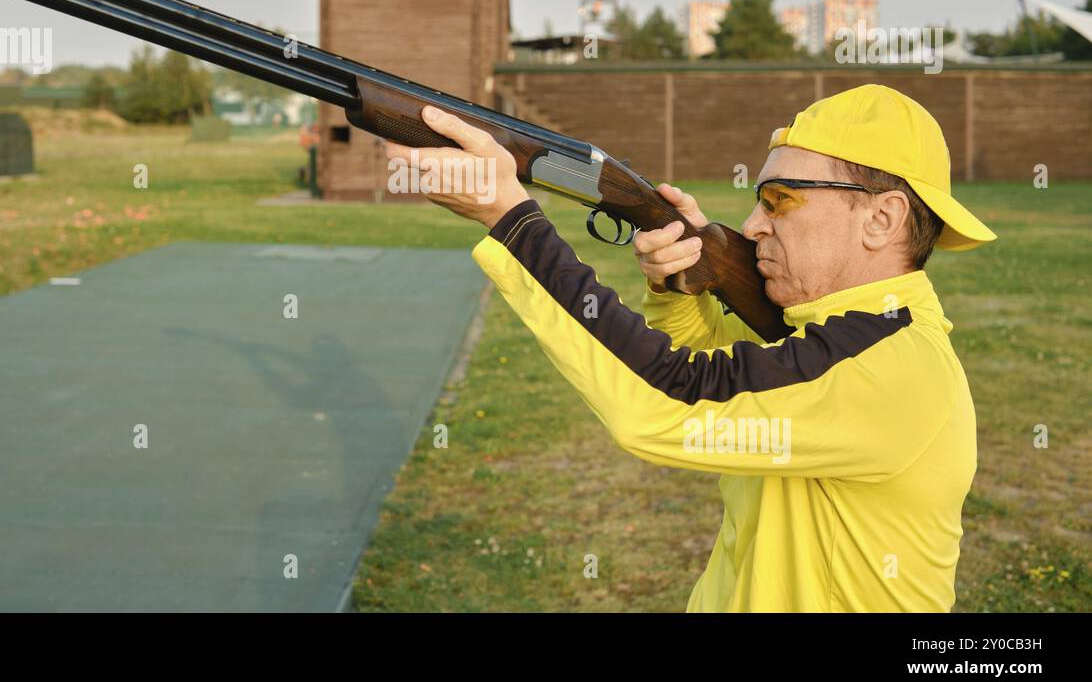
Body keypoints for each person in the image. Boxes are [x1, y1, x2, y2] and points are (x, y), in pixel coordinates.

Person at [386, 84, 996, 612]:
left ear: (882, 219)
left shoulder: (887, 364)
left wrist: (514, 220)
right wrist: (682, 285)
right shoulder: (842, 337)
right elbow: (717, 374)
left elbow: (670, 401)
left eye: (780, 199)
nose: (754, 225)